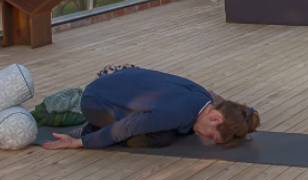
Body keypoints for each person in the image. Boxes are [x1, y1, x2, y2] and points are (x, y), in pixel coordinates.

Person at [41, 66, 259, 150]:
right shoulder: (176, 113)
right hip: (94, 101)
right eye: (212, 136)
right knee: (162, 137)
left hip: (113, 82)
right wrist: (80, 143)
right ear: (214, 119)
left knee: (179, 128)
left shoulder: (202, 96)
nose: (207, 139)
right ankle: (90, 128)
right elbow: (126, 128)